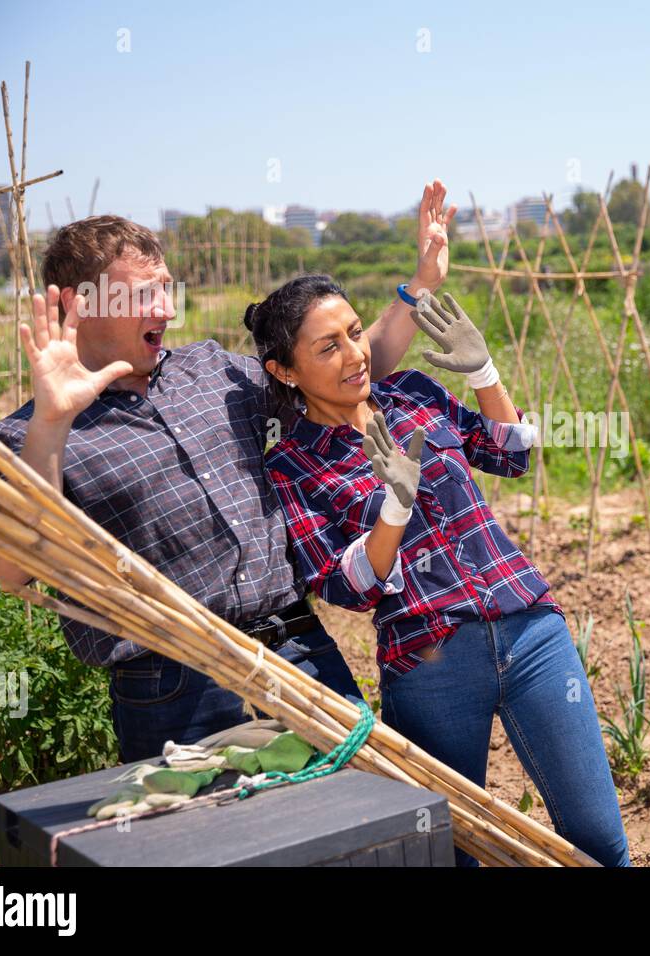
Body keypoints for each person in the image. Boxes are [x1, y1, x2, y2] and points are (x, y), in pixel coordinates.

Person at [0, 182, 459, 762]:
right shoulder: (28, 437)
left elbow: (341, 371)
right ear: (81, 304)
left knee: (352, 823)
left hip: (296, 651)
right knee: (209, 845)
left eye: (167, 289)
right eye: (146, 295)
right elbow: (10, 567)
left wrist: (418, 288)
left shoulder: (213, 370)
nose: (167, 309)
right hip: (174, 684)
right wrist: (53, 419)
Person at [246, 277, 630, 867]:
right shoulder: (292, 462)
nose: (355, 355)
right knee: (450, 853)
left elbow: (510, 453)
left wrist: (484, 375)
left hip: (531, 632)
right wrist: (392, 511)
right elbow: (344, 585)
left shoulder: (412, 396)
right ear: (284, 371)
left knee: (598, 840)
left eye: (355, 333)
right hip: (431, 664)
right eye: (328, 347)